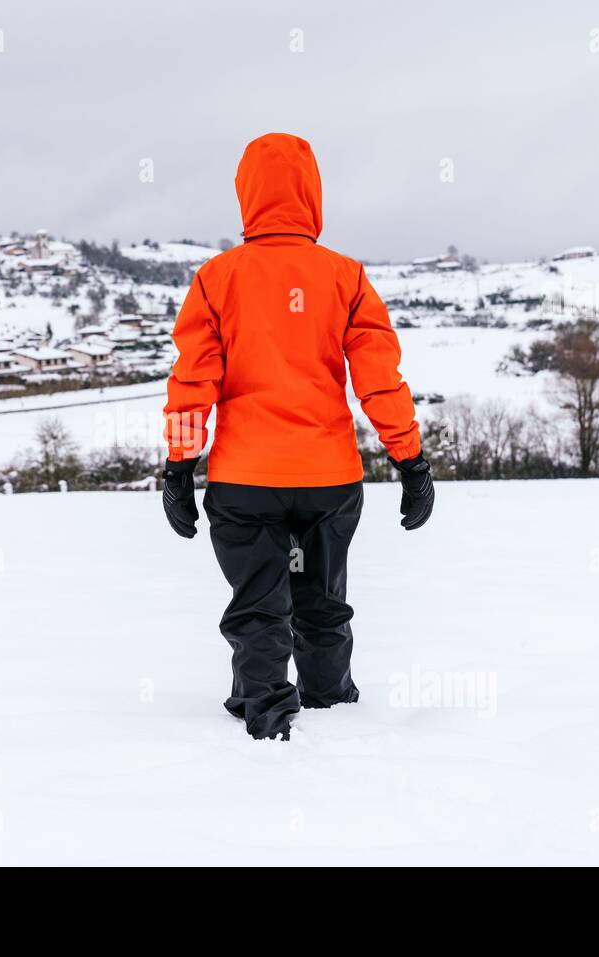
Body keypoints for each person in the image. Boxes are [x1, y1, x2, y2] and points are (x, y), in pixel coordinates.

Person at [161, 132, 434, 741]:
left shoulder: (216, 279)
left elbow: (192, 383)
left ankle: (266, 708)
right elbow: (378, 381)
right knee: (321, 598)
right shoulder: (345, 276)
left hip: (245, 481)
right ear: (313, 194)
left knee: (261, 601)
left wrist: (179, 468)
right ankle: (333, 702)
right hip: (328, 481)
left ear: (246, 196)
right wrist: (410, 463)